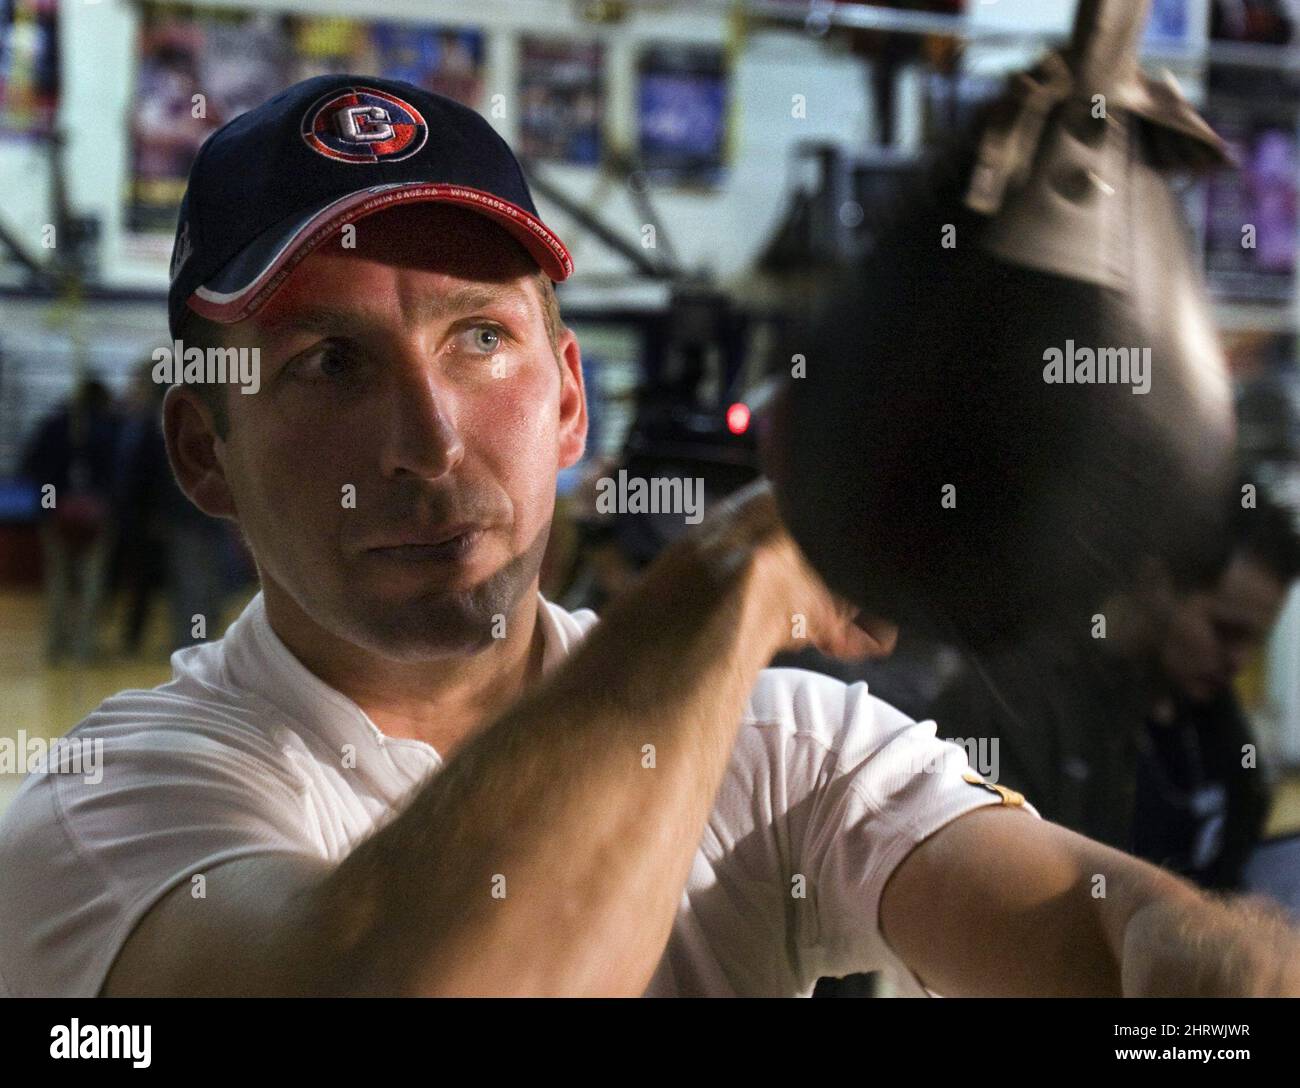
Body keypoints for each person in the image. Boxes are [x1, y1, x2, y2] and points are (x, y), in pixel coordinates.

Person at [1, 74, 1298, 999]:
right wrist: (730, 576)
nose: (432, 441)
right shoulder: (113, 811)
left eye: (481, 338)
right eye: (330, 363)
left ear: (570, 398)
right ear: (199, 451)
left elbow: (1100, 942)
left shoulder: (780, 747)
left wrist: (1193, 960)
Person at [928, 488, 1300, 893]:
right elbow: (981, 891)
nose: (1239, 661)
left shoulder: (1206, 708)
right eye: (1225, 631)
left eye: (1256, 640)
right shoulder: (1011, 706)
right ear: (1154, 583)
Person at [19, 375, 121, 663]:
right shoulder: (107, 427)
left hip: (55, 516)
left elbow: (32, 466)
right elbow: (116, 473)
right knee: (91, 583)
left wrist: (51, 504)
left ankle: (55, 645)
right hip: (96, 517)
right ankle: (84, 647)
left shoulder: (52, 425)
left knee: (58, 580)